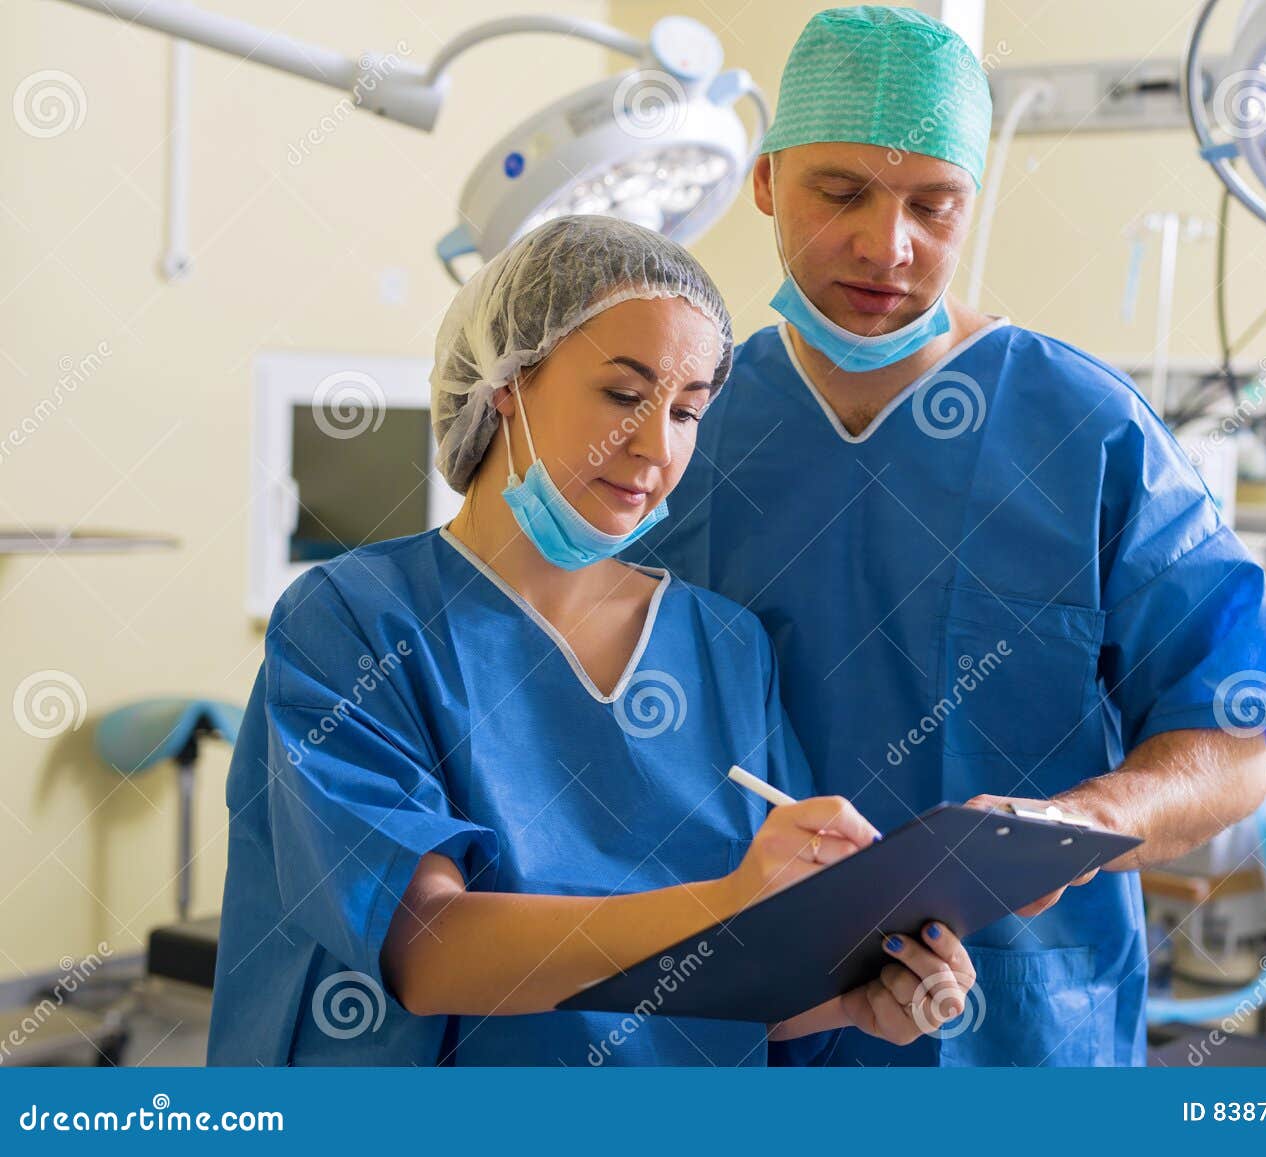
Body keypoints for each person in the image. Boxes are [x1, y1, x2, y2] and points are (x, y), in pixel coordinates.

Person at [627, 7, 1266, 1067]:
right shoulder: (684, 422)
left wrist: (1080, 822)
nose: (885, 245)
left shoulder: (1084, 429)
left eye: (931, 205)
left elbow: (1227, 749)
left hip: (1019, 1034)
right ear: (763, 182)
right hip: (741, 1022)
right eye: (840, 192)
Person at [208, 215, 975, 1066]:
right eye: (622, 395)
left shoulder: (725, 647)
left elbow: (743, 978)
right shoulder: (355, 619)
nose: (655, 445)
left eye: (686, 411)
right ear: (507, 380)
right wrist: (728, 906)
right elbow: (427, 949)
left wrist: (849, 994)